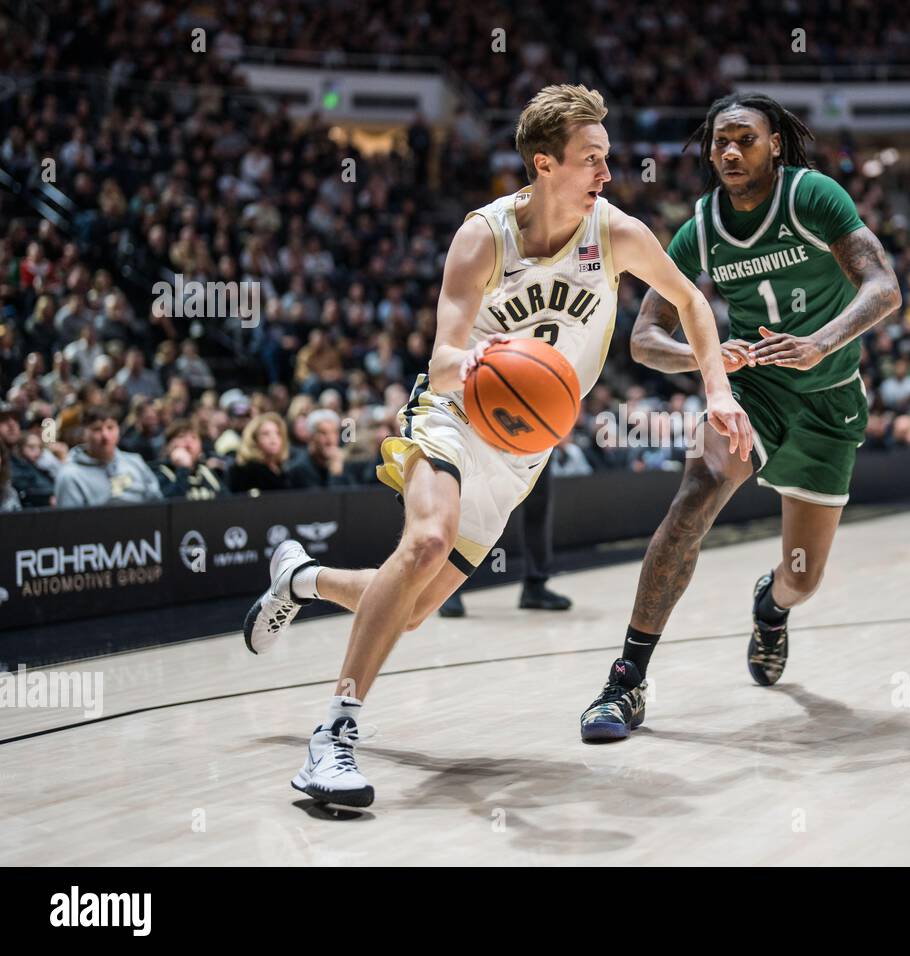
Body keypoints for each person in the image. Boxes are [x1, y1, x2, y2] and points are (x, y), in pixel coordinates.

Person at [240, 85, 752, 807]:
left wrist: (718, 391)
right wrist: (485, 363)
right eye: (591, 160)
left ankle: (299, 579)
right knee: (423, 543)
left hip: (521, 450)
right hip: (454, 412)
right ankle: (333, 736)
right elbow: (444, 352)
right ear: (544, 164)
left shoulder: (617, 234)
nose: (608, 174)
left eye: (607, 158)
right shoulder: (483, 237)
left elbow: (692, 302)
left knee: (411, 607)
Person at [575, 93, 901, 741]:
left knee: (803, 579)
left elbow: (884, 286)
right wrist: (706, 356)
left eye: (744, 139)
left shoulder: (814, 198)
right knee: (693, 499)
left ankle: (771, 607)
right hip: (751, 393)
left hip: (830, 398)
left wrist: (820, 343)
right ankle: (626, 680)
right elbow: (644, 340)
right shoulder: (700, 229)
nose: (729, 151)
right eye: (720, 141)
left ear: (775, 143)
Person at [437, 456, 572, 617]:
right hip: (487, 434)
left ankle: (535, 584)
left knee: (538, 501)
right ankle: (447, 587)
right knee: (471, 497)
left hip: (538, 438)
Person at [53, 406, 163, 507]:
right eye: (97, 429)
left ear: (119, 430)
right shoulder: (70, 475)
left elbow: (157, 503)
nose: (105, 436)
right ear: (84, 433)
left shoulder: (135, 461)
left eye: (110, 427)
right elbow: (71, 524)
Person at [227, 412, 294, 493]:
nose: (273, 439)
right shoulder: (245, 470)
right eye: (266, 434)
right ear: (254, 439)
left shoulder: (282, 468)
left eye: (278, 433)